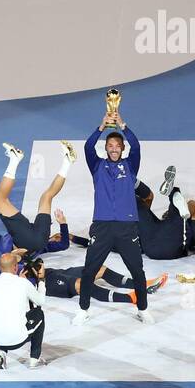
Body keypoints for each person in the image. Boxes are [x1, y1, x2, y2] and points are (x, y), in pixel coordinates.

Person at [76, 102, 149, 323]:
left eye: (118, 145)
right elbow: (88, 148)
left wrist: (122, 125)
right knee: (89, 270)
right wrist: (101, 127)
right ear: (106, 148)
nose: (114, 148)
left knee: (137, 270)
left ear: (122, 148)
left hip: (127, 227)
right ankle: (83, 310)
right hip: (102, 225)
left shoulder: (130, 165)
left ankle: (143, 309)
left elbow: (137, 147)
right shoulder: (97, 166)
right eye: (111, 145)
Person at [0, 141, 76, 257]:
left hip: (41, 240)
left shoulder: (40, 250)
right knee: (0, 199)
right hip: (26, 241)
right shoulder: (12, 254)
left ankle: (67, 162)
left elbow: (64, 245)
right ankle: (15, 159)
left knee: (47, 197)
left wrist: (63, 224)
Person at [0, 252, 47, 369]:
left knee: (3, 314)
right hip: (16, 339)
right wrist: (41, 280)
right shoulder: (23, 283)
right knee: (38, 314)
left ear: (0, 267)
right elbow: (40, 301)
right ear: (15, 267)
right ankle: (35, 358)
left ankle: (1, 354)